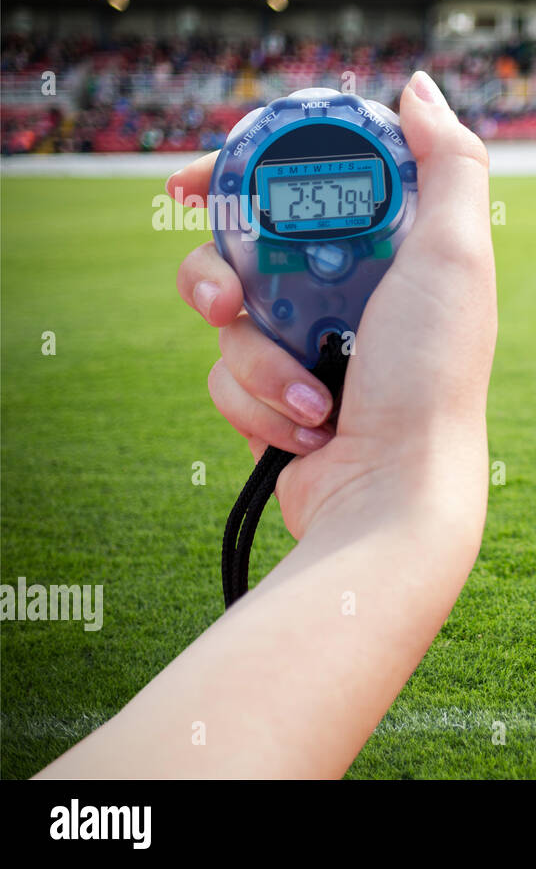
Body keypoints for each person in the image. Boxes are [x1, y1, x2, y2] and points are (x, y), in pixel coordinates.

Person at [36, 71, 497, 778]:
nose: (326, 232)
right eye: (304, 201)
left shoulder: (264, 175)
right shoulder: (356, 166)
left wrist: (388, 494)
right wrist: (388, 504)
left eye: (337, 198)